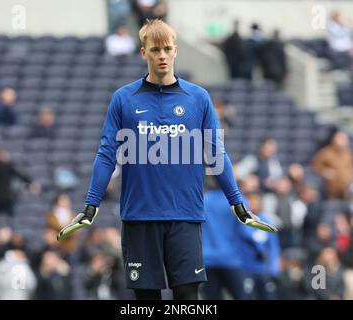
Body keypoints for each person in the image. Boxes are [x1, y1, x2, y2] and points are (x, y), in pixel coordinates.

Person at [57, 19, 277, 300]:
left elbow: (216, 153)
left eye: (167, 49)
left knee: (187, 297)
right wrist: (91, 205)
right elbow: (106, 154)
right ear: (143, 53)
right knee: (146, 300)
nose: (161, 55)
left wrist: (238, 202)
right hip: (139, 219)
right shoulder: (124, 99)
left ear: (175, 52)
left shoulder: (198, 98)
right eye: (155, 49)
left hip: (185, 217)